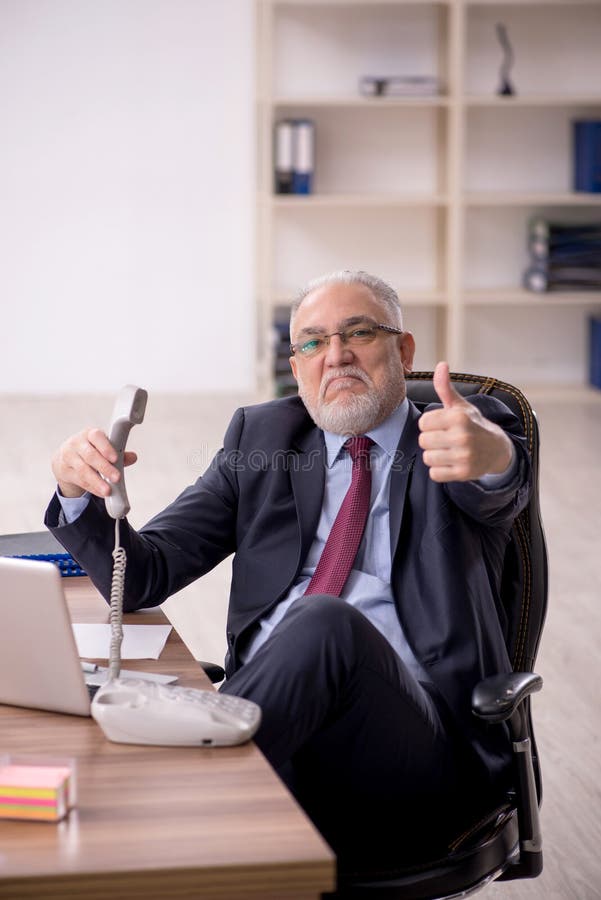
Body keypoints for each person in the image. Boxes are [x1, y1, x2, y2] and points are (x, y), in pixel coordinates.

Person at [46, 270, 531, 873]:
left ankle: (159, 810)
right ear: (296, 367)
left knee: (325, 622)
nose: (336, 355)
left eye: (360, 332)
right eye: (313, 342)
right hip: (279, 725)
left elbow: (501, 478)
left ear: (404, 352)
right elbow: (146, 573)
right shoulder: (263, 438)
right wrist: (75, 490)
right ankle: (173, 811)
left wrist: (491, 454)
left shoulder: (454, 434)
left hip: (415, 746)